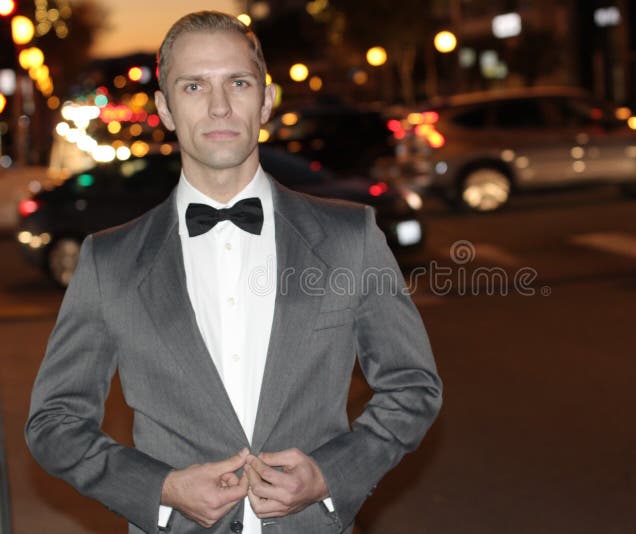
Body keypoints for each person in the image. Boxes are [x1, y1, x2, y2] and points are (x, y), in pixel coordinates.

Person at [26, 11, 442, 534]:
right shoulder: (109, 261)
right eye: (194, 85)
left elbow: (413, 386)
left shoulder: (349, 237)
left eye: (238, 83)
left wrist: (329, 475)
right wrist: (160, 489)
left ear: (266, 100)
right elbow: (54, 423)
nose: (219, 105)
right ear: (165, 108)